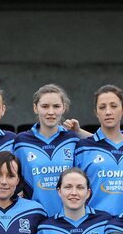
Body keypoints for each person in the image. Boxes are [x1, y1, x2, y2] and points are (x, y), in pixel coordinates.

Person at [71, 85, 123, 217]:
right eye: (102, 107)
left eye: (114, 106)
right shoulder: (83, 148)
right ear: (96, 112)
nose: (108, 112)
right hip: (93, 223)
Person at [13, 84, 79, 216]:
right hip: (34, 216)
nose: (50, 112)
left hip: (68, 217)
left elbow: (104, 143)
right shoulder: (21, 141)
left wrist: (80, 131)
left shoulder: (73, 139)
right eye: (45, 106)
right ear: (35, 108)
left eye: (56, 106)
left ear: (63, 108)